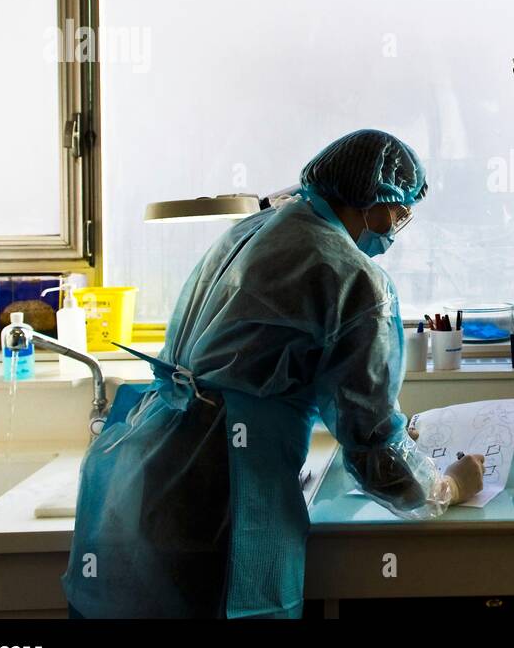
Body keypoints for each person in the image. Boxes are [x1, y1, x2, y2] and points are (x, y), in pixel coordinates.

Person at [62, 129, 484, 618]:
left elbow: (262, 361)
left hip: (157, 468)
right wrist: (447, 486)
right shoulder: (354, 278)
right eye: (399, 210)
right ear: (373, 201)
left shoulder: (255, 229)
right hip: (230, 489)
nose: (397, 225)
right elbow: (374, 453)